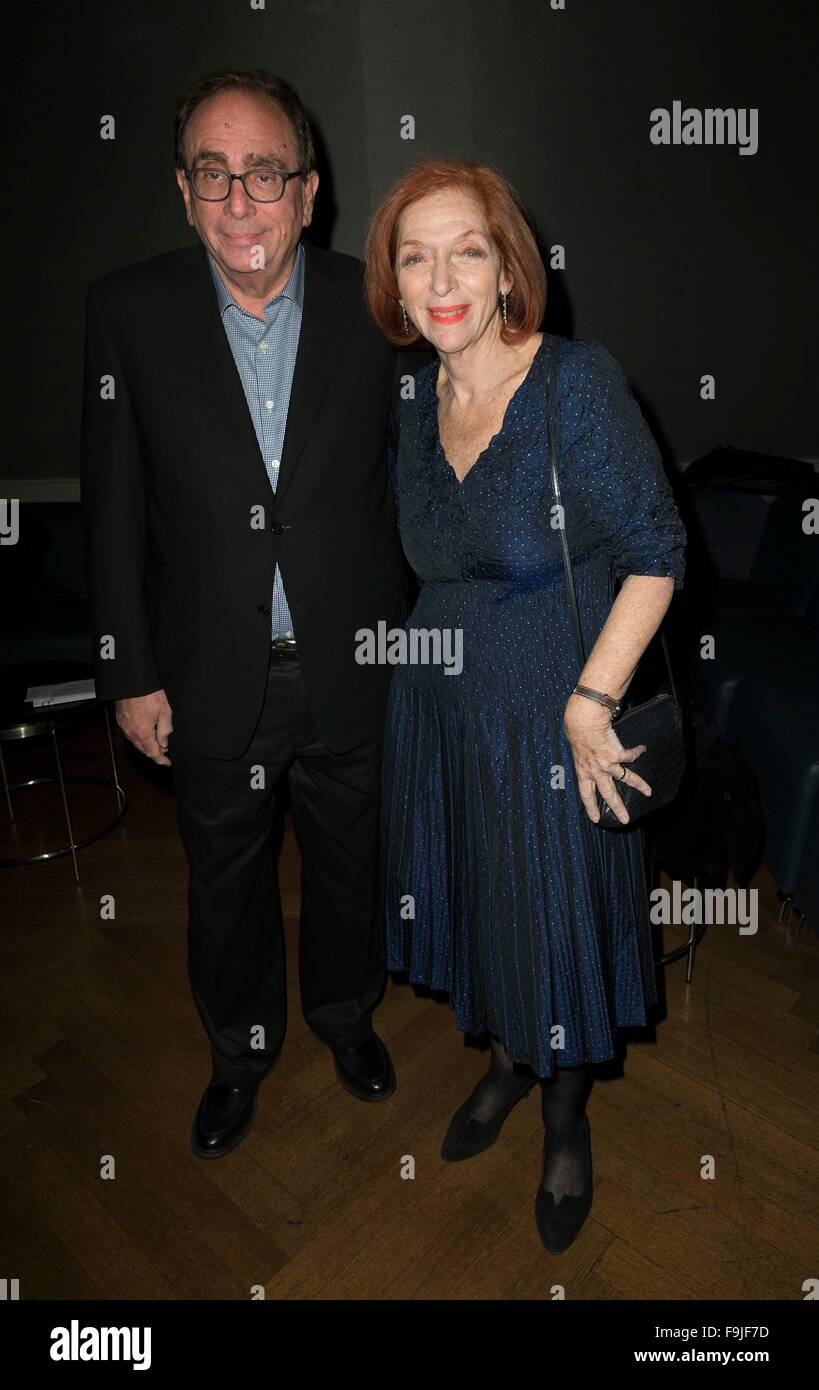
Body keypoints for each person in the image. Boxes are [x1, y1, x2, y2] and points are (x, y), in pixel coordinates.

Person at [80, 70, 416, 1160]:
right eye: (213, 174)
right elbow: (114, 508)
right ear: (184, 191)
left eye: (263, 172)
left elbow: (419, 489)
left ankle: (344, 1018)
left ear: (307, 191)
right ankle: (239, 1056)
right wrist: (128, 672)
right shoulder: (126, 311)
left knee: (351, 868)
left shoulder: (381, 310)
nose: (239, 200)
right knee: (222, 891)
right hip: (209, 673)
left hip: (353, 665)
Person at [363, 156, 686, 1252]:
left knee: (556, 924)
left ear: (509, 269)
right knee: (486, 906)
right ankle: (505, 1062)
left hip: (558, 719)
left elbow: (658, 550)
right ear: (394, 284)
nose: (442, 275)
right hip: (446, 722)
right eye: (417, 255)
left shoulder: (574, 383)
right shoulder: (415, 400)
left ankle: (563, 1119)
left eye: (468, 249)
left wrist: (594, 698)